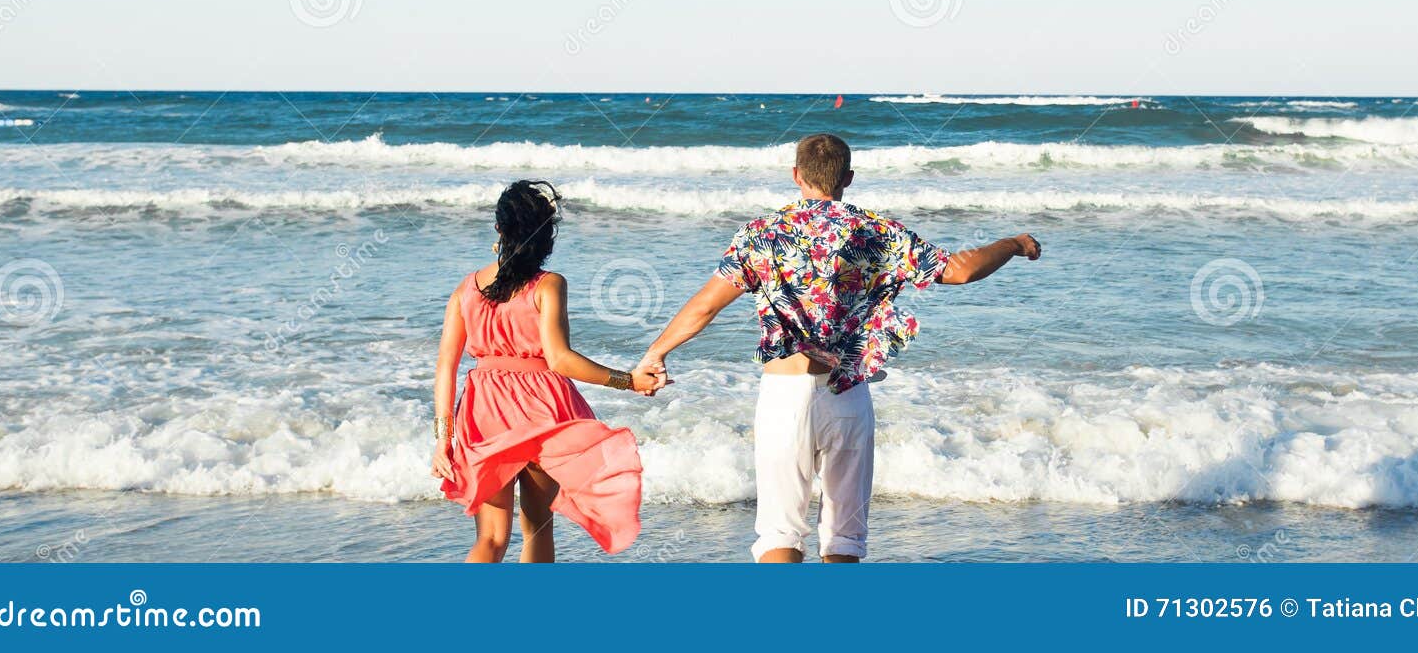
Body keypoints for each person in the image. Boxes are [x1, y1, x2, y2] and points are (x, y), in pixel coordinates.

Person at [636, 134, 1040, 562]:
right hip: (847, 395)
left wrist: (655, 354)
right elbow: (960, 271)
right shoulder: (875, 231)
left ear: (796, 176)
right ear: (848, 177)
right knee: (845, 538)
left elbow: (704, 307)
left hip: (784, 395)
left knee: (779, 534)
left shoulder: (761, 233)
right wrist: (1013, 244)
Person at [432, 180, 666, 562]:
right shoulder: (548, 285)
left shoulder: (465, 290)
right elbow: (559, 360)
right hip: (542, 409)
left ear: (498, 228)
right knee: (537, 527)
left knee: (491, 538)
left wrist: (444, 436)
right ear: (547, 233)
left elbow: (446, 365)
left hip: (483, 410)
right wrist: (628, 380)